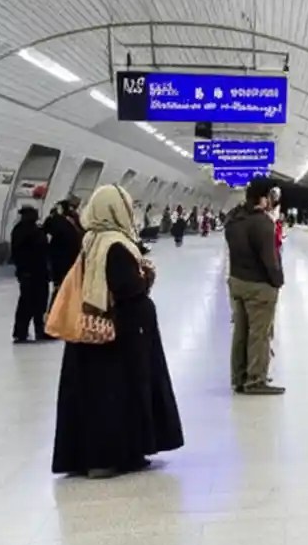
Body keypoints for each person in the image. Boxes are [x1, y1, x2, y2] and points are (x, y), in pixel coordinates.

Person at [51, 184, 184, 478]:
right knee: (120, 393)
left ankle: (93, 455)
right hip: (120, 334)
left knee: (95, 395)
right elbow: (125, 287)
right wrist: (146, 275)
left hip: (92, 333)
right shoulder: (116, 244)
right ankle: (118, 453)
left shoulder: (91, 240)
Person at [225, 179, 284, 395]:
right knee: (259, 333)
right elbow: (270, 260)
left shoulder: (233, 219)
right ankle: (255, 380)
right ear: (263, 198)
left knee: (240, 332)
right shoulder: (262, 223)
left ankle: (238, 377)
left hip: (236, 282)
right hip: (259, 286)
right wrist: (278, 280)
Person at [10, 206, 50, 343]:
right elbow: (40, 250)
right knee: (37, 303)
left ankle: (21, 331)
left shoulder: (19, 230)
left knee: (26, 303)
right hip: (34, 272)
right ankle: (39, 330)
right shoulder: (32, 232)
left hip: (27, 273)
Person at [43, 198, 83, 311]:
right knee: (64, 287)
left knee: (62, 287)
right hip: (67, 260)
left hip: (63, 260)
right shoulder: (69, 222)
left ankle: (56, 312)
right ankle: (57, 312)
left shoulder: (61, 221)